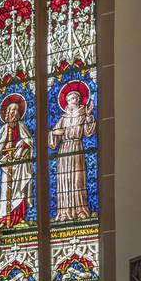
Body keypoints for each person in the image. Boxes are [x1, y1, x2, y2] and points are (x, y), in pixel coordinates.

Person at [48, 83, 96, 221]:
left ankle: (80, 209)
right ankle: (64, 212)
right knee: (64, 180)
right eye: (69, 100)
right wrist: (55, 133)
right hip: (64, 150)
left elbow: (88, 131)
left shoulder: (82, 114)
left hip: (75, 148)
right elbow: (53, 135)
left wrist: (88, 117)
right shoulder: (63, 118)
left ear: (79, 100)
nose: (71, 102)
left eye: (74, 99)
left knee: (77, 179)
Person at [0, 94, 34, 229]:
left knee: (20, 191)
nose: (14, 112)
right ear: (6, 113)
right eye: (11, 110)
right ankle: (5, 219)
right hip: (8, 165)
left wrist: (21, 146)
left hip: (21, 164)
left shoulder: (22, 126)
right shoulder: (3, 129)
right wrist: (5, 148)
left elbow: (29, 141)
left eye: (16, 110)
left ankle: (19, 218)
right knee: (7, 192)